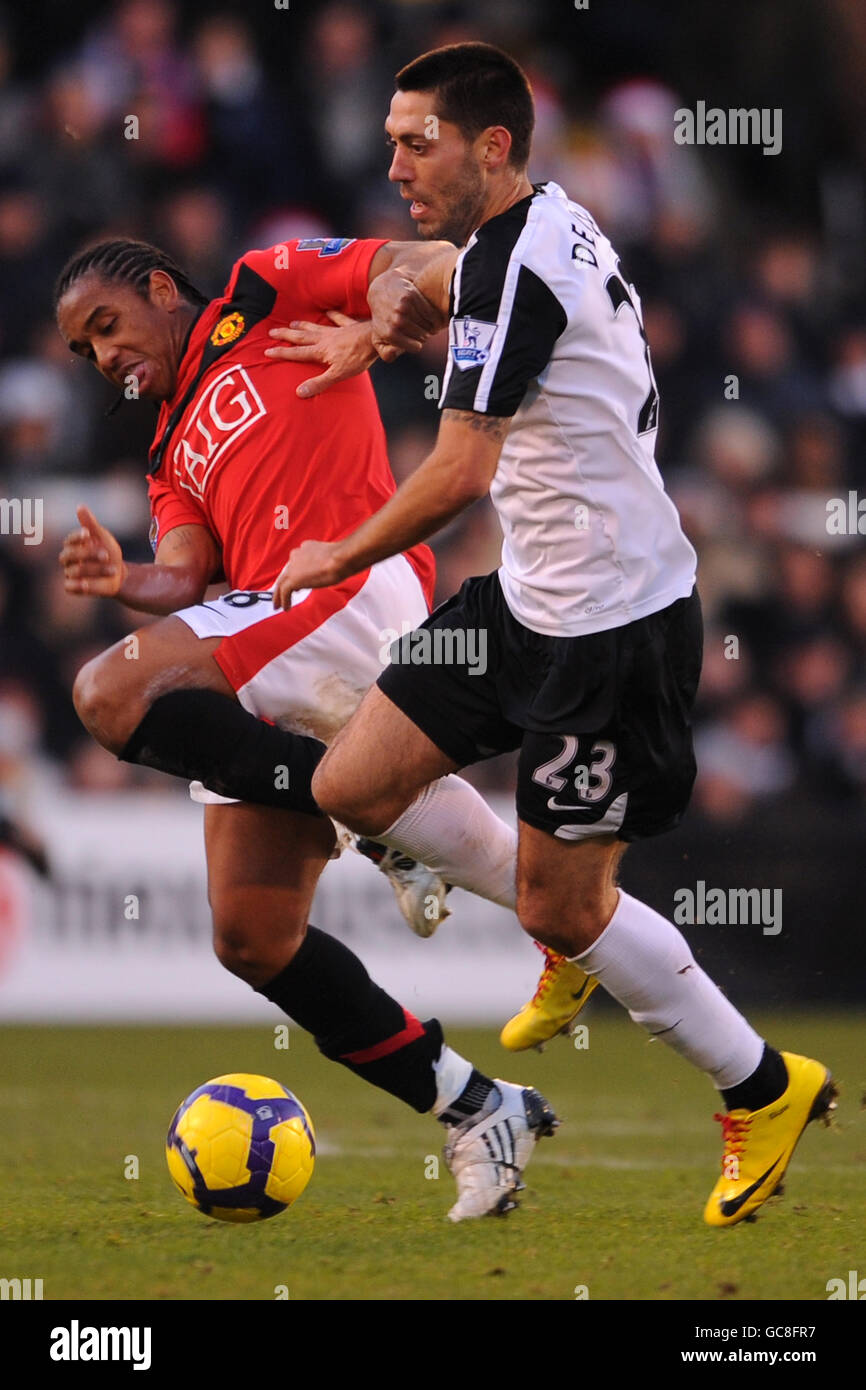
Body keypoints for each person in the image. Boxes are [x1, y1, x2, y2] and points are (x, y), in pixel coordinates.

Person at [267, 42, 836, 1228]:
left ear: (490, 147)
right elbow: (435, 271)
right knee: (354, 779)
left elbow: (460, 469)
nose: (392, 161)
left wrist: (340, 550)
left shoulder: (519, 265)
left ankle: (763, 1085)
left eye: (415, 140)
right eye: (388, 137)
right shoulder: (533, 224)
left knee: (562, 904)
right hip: (530, 597)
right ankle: (568, 930)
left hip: (611, 628)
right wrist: (378, 329)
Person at [54, 233, 558, 1220]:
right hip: (265, 641)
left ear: (160, 289)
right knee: (252, 937)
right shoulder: (165, 444)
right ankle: (479, 1105)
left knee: (106, 695)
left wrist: (387, 311)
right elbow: (189, 575)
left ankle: (363, 806)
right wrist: (127, 583)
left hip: (345, 586)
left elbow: (409, 259)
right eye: (83, 351)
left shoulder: (261, 288)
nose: (103, 357)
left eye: (105, 327)